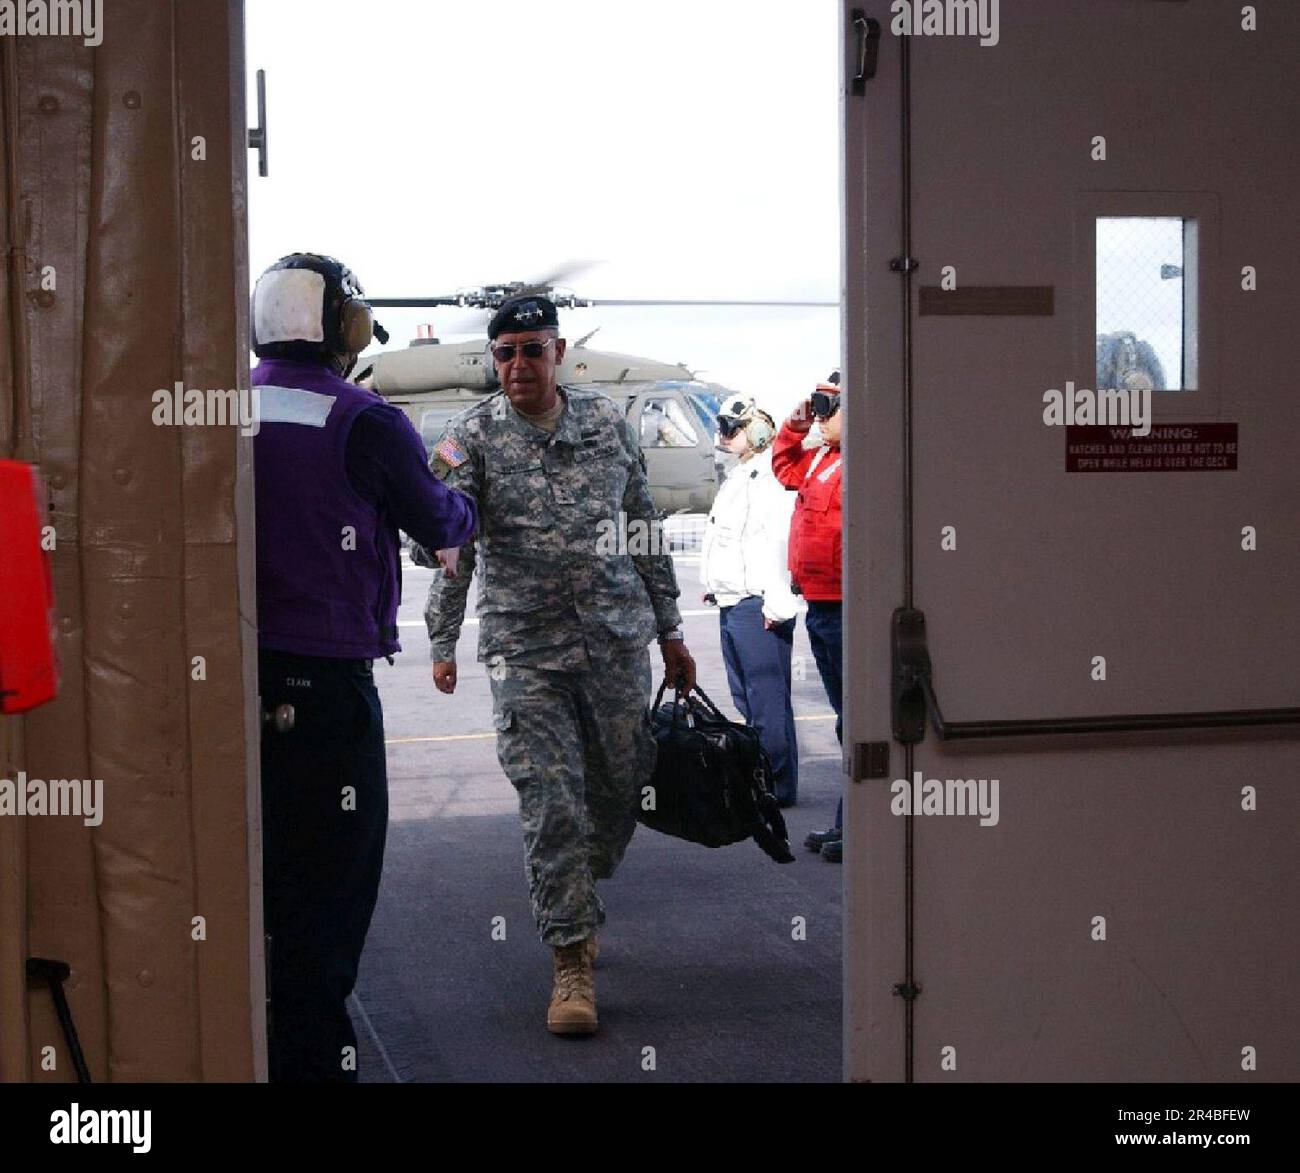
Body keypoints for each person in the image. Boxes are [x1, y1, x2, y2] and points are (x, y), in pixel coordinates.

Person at [419, 294, 696, 1036]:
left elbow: (642, 524)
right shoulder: (469, 438)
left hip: (613, 642)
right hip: (525, 651)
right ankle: (570, 957)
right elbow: (452, 551)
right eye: (504, 352)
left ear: (558, 352)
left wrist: (670, 627)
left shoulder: (606, 424)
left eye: (531, 350)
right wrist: (442, 639)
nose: (517, 365)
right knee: (553, 801)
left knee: (619, 783)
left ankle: (580, 888)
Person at [251, 253, 478, 1081]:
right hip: (327, 691)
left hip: (236, 678)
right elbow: (438, 519)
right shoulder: (364, 418)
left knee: (258, 879)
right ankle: (315, 1058)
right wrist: (464, 500)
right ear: (343, 324)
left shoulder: (222, 404)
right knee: (332, 886)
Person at [700, 397, 801, 806]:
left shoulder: (770, 478)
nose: (723, 434)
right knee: (747, 697)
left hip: (757, 604)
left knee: (766, 699)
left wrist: (776, 604)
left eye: (733, 426)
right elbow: (730, 540)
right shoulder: (739, 476)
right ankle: (767, 779)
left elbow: (775, 541)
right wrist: (715, 583)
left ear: (757, 432)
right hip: (733, 602)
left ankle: (776, 784)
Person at [772, 374, 844, 862]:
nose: (820, 415)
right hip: (819, 604)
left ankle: (856, 823)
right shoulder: (820, 459)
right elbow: (783, 465)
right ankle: (851, 821)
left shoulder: (866, 464)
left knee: (856, 721)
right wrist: (798, 419)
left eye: (830, 408)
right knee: (849, 718)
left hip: (846, 605)